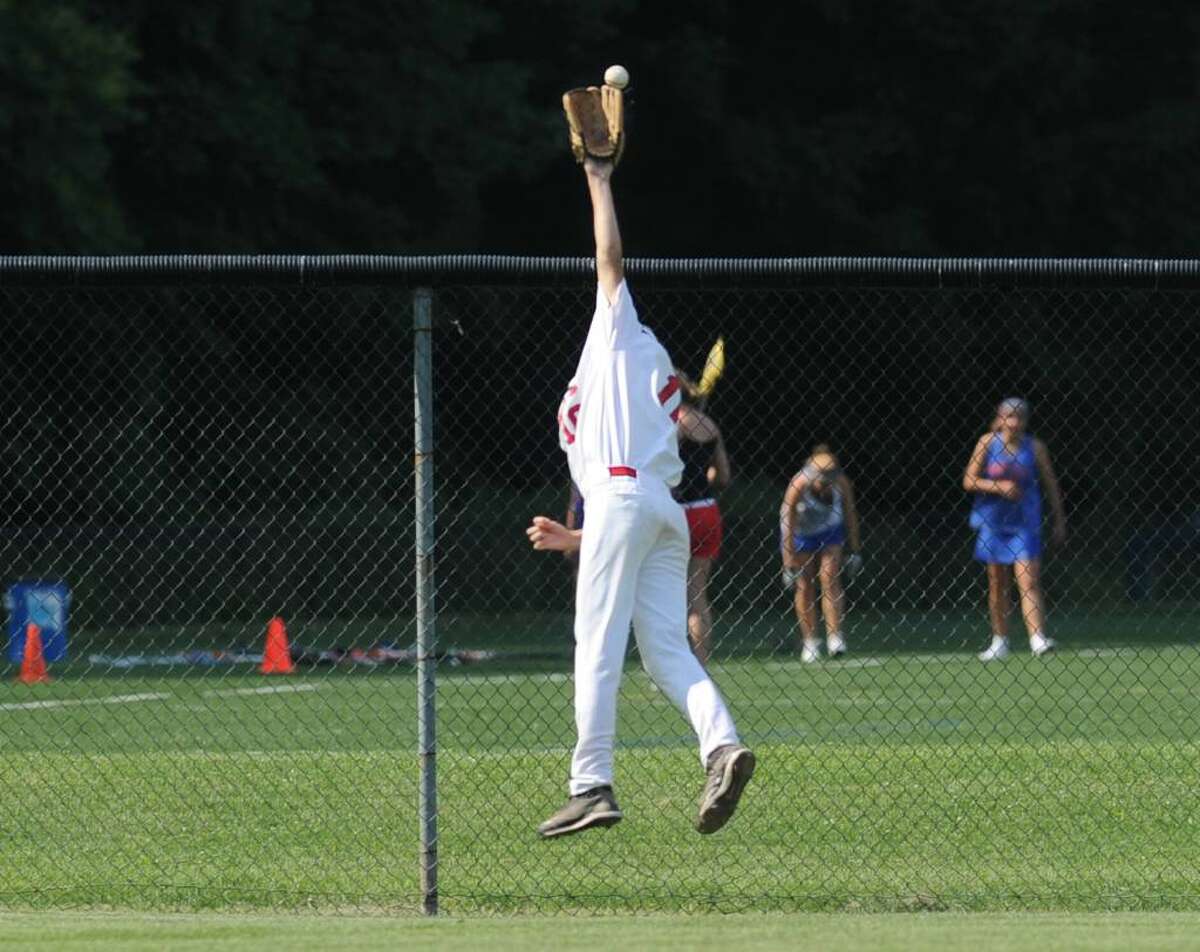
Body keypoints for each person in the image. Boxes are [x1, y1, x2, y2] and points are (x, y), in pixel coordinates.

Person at [526, 155, 753, 839]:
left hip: (626, 500)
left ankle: (590, 784)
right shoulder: (642, 378)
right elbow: (624, 494)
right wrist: (577, 538)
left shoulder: (620, 336)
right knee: (664, 649)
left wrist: (598, 180)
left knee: (595, 642)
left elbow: (611, 260)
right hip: (661, 511)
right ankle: (720, 745)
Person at [962, 397, 1066, 661]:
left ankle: (1037, 638)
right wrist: (998, 487)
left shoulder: (1035, 447)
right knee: (997, 582)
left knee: (1028, 580)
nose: (1014, 422)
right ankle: (1000, 640)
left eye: (1019, 417)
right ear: (1000, 419)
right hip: (993, 522)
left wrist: (1059, 519)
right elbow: (969, 480)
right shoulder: (987, 443)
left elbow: (1050, 483)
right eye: (1009, 416)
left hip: (1025, 523)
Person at [779, 446, 862, 663]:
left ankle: (835, 637)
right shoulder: (798, 485)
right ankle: (811, 642)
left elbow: (850, 512)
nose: (827, 481)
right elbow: (786, 523)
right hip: (802, 534)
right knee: (804, 584)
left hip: (830, 530)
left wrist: (854, 550)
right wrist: (788, 561)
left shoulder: (840, 483)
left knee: (830, 576)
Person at [673, 377, 732, 666]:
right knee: (697, 593)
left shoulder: (672, 425)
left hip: (676, 512)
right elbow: (722, 476)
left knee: (668, 590)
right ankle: (700, 664)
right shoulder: (710, 426)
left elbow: (663, 469)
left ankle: (671, 664)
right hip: (708, 512)